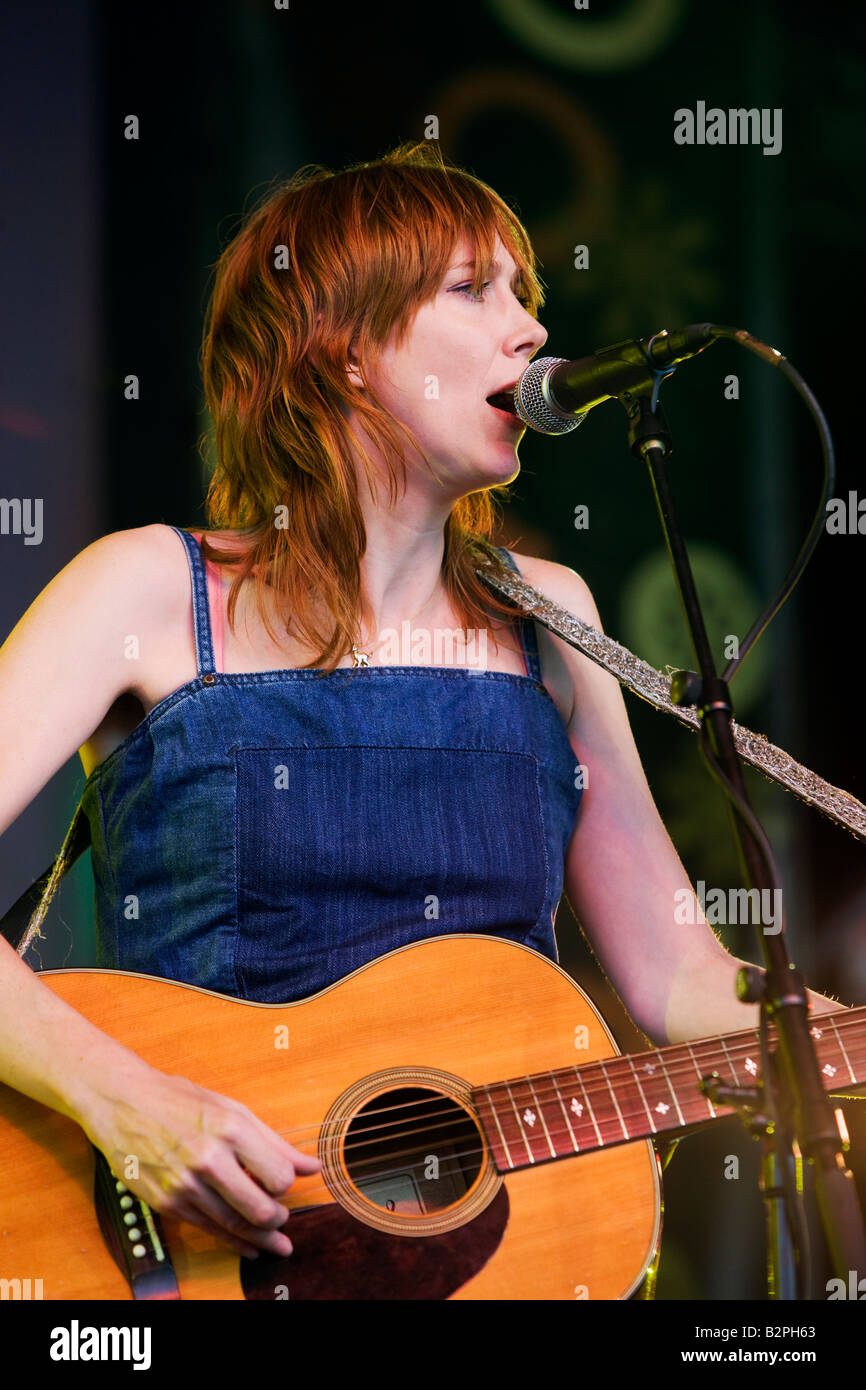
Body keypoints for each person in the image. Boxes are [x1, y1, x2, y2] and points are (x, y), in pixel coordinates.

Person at [0, 141, 841, 1267]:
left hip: (481, 1264)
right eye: (471, 289)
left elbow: (679, 974)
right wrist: (125, 1100)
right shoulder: (150, 589)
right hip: (173, 1258)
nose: (532, 330)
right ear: (345, 351)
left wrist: (833, 1039)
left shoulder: (552, 615)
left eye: (525, 293)